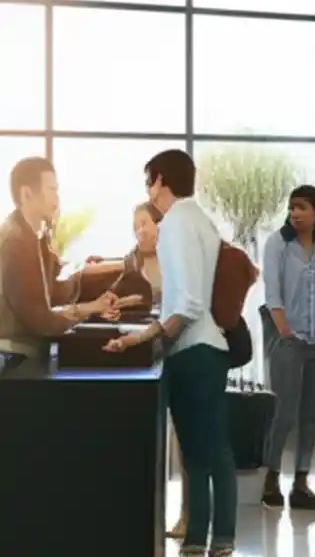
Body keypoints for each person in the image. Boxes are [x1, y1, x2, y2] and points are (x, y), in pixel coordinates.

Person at [103, 149, 236, 556]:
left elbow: (187, 305)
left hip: (192, 351)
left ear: (161, 180)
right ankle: (218, 539)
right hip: (211, 348)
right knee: (215, 449)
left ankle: (198, 541)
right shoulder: (201, 219)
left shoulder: (175, 222)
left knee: (198, 454)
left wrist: (141, 338)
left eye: (149, 180)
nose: (148, 188)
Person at [0, 157, 116, 379]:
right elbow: (40, 320)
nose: (57, 198)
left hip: (25, 354)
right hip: (14, 359)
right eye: (52, 189)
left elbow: (56, 288)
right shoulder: (16, 242)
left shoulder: (34, 237)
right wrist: (89, 308)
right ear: (26, 194)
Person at [260, 185, 315, 510]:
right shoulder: (278, 243)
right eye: (292, 207)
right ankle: (271, 477)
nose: (295, 213)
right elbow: (272, 291)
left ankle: (301, 482)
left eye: (302, 207)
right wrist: (283, 329)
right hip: (288, 339)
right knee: (284, 412)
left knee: (312, 414)